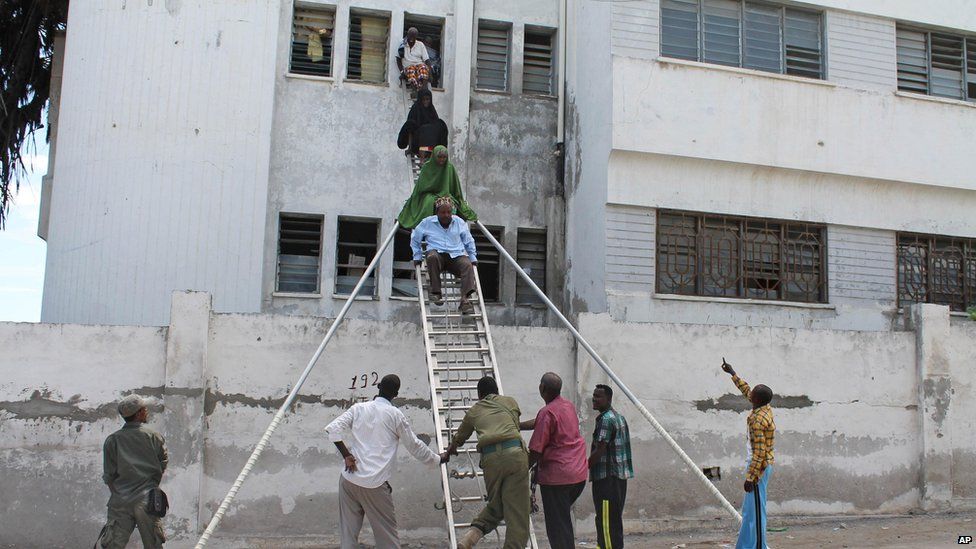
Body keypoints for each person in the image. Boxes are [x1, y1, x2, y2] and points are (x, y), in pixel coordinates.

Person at [325, 374, 446, 549]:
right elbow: (414, 446)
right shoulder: (395, 415)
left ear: (379, 386)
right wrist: (437, 459)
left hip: (349, 479)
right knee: (387, 538)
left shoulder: (358, 408)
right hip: (374, 484)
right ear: (395, 394)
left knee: (348, 536)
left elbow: (332, 429)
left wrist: (347, 455)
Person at [442, 376, 530, 549]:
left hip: (491, 460)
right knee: (517, 512)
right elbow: (515, 424)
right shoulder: (510, 402)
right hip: (515, 455)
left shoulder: (474, 411)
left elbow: (459, 438)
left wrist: (449, 451)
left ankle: (471, 536)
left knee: (497, 504)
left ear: (479, 394)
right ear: (497, 390)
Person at [519, 372, 588, 549]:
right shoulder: (567, 406)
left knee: (557, 526)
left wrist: (520, 472)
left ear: (542, 388)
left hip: (558, 477)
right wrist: (517, 425)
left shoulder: (547, 412)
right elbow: (542, 421)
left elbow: (535, 450)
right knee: (562, 519)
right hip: (578, 475)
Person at [98, 395, 168, 549]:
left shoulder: (112, 440)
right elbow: (163, 463)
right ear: (138, 414)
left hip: (120, 499)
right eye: (144, 409)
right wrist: (150, 482)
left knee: (112, 545)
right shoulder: (153, 437)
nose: (146, 411)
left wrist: (120, 493)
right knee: (153, 545)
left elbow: (109, 475)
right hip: (148, 499)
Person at [720, 358, 775, 549]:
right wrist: (733, 374)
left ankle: (759, 546)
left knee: (756, 512)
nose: (749, 394)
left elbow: (759, 452)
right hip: (758, 465)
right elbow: (747, 390)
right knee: (750, 511)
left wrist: (751, 477)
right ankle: (745, 546)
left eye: (753, 394)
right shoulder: (764, 407)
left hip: (758, 468)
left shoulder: (757, 420)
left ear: (757, 400)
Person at [410, 196, 478, 315]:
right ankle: (436, 293)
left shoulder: (459, 222)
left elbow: (468, 240)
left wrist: (472, 257)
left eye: (448, 212)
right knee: (431, 257)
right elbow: (415, 239)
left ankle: (465, 300)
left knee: (467, 264)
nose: (446, 215)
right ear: (437, 212)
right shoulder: (427, 222)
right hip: (438, 255)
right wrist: (417, 256)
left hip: (456, 256)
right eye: (443, 212)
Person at [589, 384, 633, 549]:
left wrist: (583, 466)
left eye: (598, 396)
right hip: (618, 479)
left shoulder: (606, 420)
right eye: (594, 395)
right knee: (614, 521)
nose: (594, 399)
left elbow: (600, 449)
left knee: (605, 522)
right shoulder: (619, 417)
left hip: (606, 480)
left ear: (608, 399)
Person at [397, 145, 477, 229]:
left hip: (447, 195)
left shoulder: (450, 168)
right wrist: (436, 197)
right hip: (428, 195)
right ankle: (428, 228)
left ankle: (450, 230)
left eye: (444, 157)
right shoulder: (427, 167)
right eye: (439, 157)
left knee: (451, 204)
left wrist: (449, 198)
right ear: (434, 156)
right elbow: (421, 189)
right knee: (428, 202)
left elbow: (455, 189)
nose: (442, 160)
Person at [397, 89, 448, 159]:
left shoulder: (431, 109)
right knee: (413, 124)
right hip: (418, 141)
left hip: (430, 142)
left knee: (441, 123)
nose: (426, 102)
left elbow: (436, 125)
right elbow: (409, 127)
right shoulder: (415, 108)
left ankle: (441, 151)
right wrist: (410, 148)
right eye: (423, 100)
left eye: (427, 99)